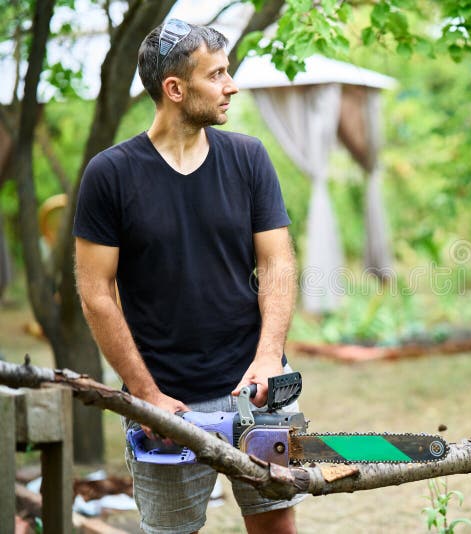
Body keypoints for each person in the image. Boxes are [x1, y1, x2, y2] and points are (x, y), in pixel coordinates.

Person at [73, 19, 301, 534]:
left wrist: (269, 357)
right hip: (167, 403)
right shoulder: (109, 175)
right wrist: (146, 395)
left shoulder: (248, 158)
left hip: (256, 392)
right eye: (217, 74)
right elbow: (95, 293)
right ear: (174, 89)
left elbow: (277, 262)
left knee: (277, 523)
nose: (231, 85)